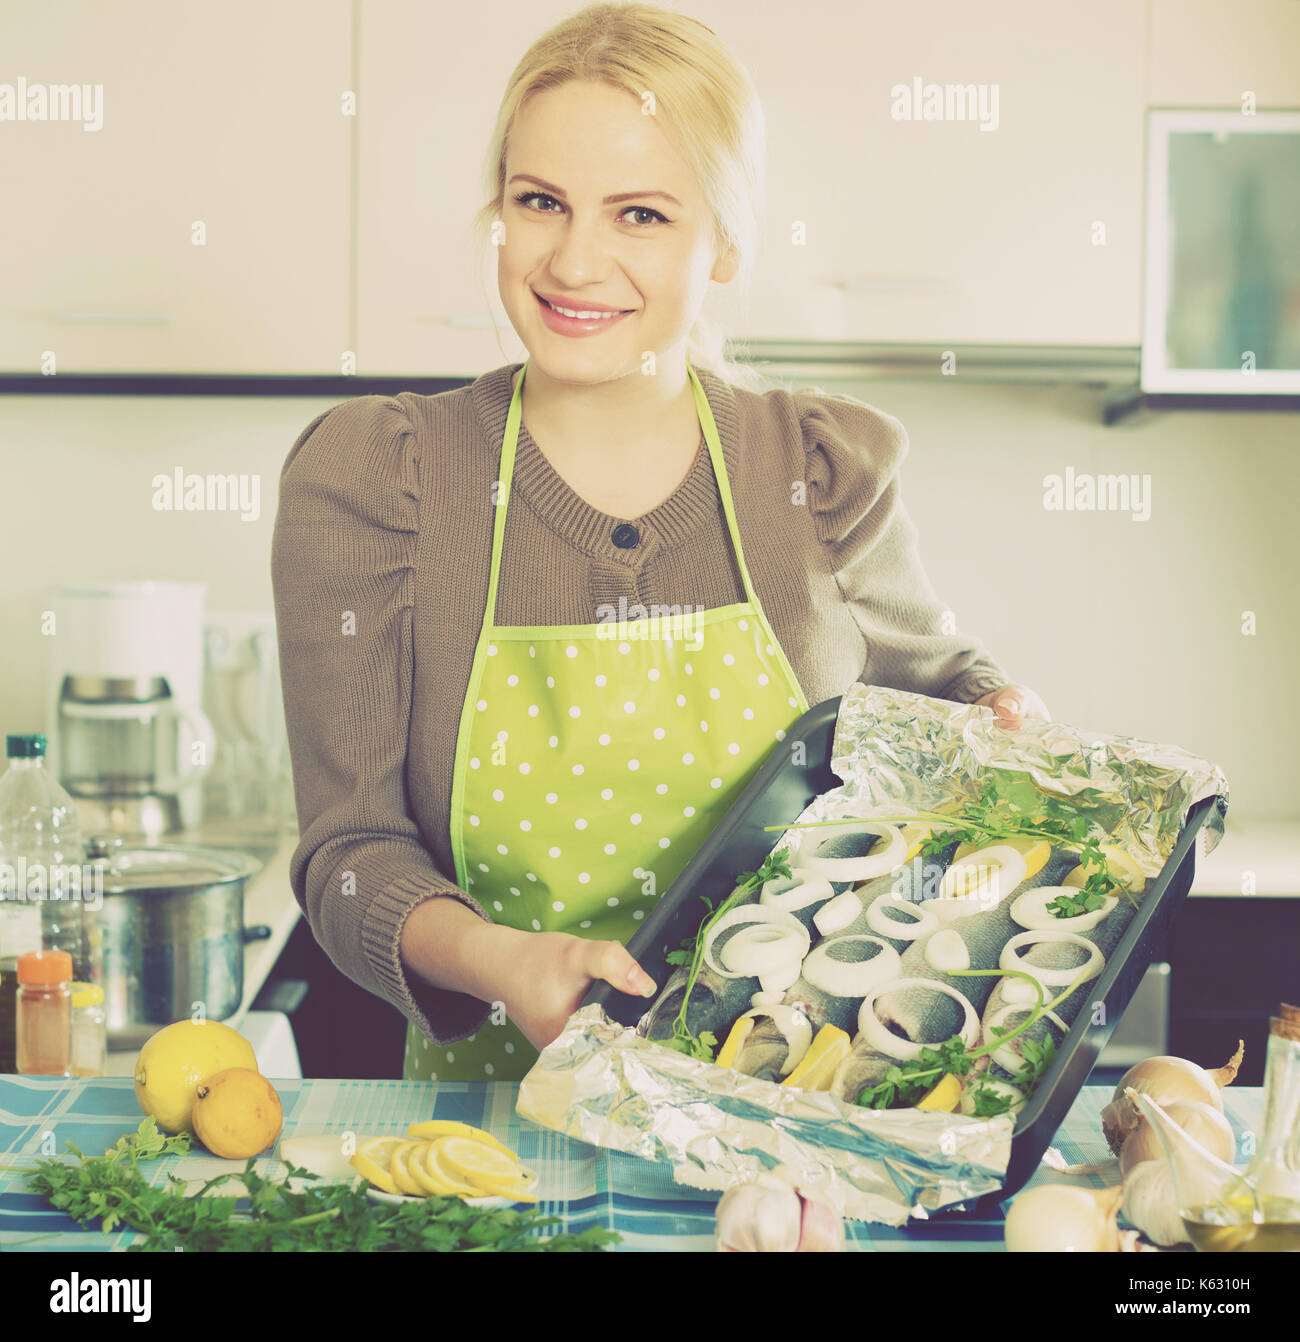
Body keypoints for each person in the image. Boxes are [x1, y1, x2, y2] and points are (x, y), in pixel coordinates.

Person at [270, 2, 1049, 1083]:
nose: (574, 260)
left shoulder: (818, 470)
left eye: (639, 215)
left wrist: (998, 717)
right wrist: (502, 962)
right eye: (540, 201)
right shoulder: (380, 478)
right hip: (497, 1139)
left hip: (789, 1130)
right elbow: (346, 856)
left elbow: (933, 701)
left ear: (723, 241)